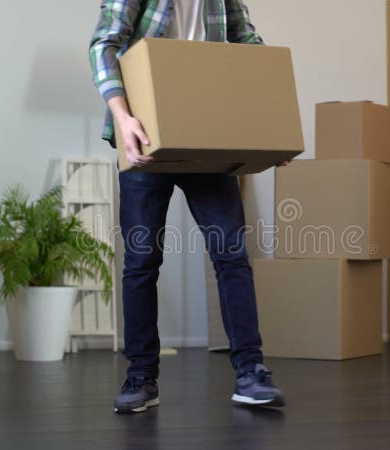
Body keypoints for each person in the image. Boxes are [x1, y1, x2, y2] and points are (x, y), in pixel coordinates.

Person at [89, 0, 286, 414]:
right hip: (145, 134)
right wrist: (122, 118)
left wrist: (271, 124)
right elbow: (104, 44)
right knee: (141, 262)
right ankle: (142, 376)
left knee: (231, 255)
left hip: (207, 132)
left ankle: (250, 371)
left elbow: (250, 47)